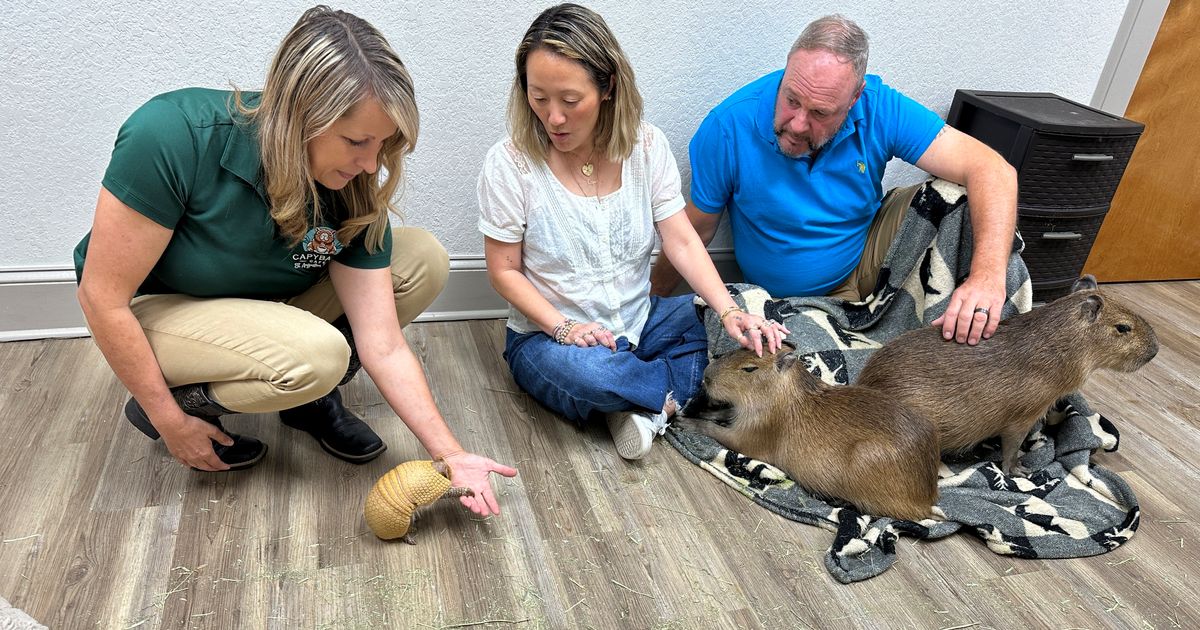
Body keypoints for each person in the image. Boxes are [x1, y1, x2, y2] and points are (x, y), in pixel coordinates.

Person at [74, 6, 516, 516]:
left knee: (422, 260)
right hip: (153, 308)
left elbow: (384, 345)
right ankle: (185, 398)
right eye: (356, 142)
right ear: (298, 114)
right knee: (318, 355)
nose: (372, 164)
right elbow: (101, 298)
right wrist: (170, 419)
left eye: (384, 144)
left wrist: (451, 455)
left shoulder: (350, 185)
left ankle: (305, 399)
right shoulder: (171, 135)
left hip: (260, 301)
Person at [478, 4, 785, 460]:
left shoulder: (646, 145)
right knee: (591, 375)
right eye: (538, 98)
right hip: (550, 338)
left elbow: (681, 239)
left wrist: (727, 312)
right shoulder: (509, 164)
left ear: (608, 87)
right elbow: (504, 272)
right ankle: (664, 393)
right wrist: (564, 329)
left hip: (642, 318)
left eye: (569, 100)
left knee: (747, 305)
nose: (553, 118)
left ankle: (636, 402)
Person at [650, 14, 1018, 346]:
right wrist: (650, 307)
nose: (797, 124)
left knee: (960, 200)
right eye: (791, 99)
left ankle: (999, 365)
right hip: (788, 302)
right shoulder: (728, 126)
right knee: (770, 366)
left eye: (819, 113)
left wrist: (988, 277)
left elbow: (993, 169)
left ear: (855, 97)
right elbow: (691, 235)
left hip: (873, 263)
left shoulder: (879, 106)